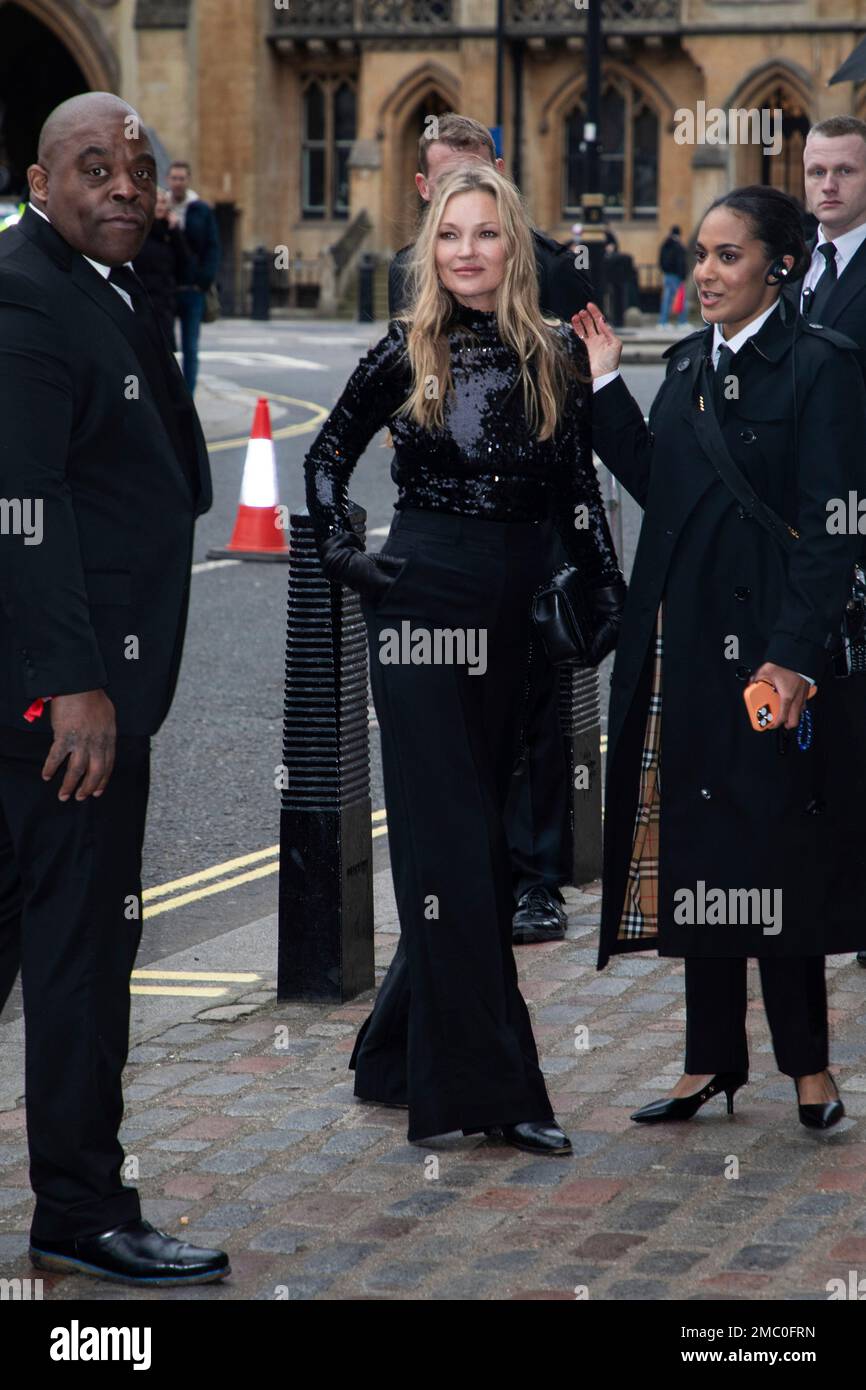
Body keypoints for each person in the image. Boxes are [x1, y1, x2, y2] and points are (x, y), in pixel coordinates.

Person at [304, 163, 625, 1155]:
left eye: (485, 234)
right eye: (450, 236)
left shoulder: (551, 357)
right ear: (431, 251)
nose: (468, 252)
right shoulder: (405, 351)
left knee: (479, 843)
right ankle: (495, 1089)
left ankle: (397, 1051)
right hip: (421, 603)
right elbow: (324, 460)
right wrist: (349, 554)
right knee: (449, 845)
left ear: (510, 247)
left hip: (515, 621)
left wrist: (607, 595)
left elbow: (575, 491)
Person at [573, 185, 866, 1131]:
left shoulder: (822, 366)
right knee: (703, 851)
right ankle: (711, 1063)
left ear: (779, 265)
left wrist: (792, 660)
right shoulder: (692, 362)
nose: (704, 272)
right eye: (701, 254)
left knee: (776, 852)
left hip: (774, 660)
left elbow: (834, 531)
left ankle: (810, 1070)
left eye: (728, 255)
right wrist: (607, 386)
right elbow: (666, 487)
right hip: (690, 645)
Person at [0, 92, 228, 1284]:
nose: (124, 187)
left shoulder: (106, 281)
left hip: (46, 695)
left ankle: (74, 1197)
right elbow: (22, 510)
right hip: (61, 706)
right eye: (92, 168)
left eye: (137, 167)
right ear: (40, 183)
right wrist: (75, 687)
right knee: (83, 956)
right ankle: (82, 1210)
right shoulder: (28, 293)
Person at [388, 111, 597, 947]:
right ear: (423, 191)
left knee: (534, 717)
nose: (466, 235)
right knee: (459, 742)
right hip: (443, 562)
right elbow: (351, 438)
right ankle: (470, 892)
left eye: (476, 172)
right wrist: (360, 560)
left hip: (533, 538)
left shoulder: (552, 269)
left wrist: (604, 573)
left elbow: (585, 428)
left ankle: (537, 879)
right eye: (445, 182)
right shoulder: (417, 279)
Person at [788, 116, 866, 969]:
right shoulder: (793, 268)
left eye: (844, 170)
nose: (829, 186)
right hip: (802, 530)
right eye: (816, 171)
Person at [167, 159, 220, 394]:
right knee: (165, 347)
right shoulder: (159, 207)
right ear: (168, 180)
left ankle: (187, 397)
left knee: (190, 347)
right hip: (166, 289)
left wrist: (203, 280)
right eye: (174, 178)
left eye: (182, 178)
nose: (178, 183)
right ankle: (167, 395)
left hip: (193, 289)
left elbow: (212, 247)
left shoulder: (201, 210)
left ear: (188, 181)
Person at [133, 185, 192, 348]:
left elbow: (185, 263)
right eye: (157, 202)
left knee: (165, 354)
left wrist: (175, 231)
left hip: (165, 301)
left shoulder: (170, 232)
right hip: (143, 300)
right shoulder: (138, 230)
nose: (160, 206)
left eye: (164, 202)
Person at [658, 224, 688, 328]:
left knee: (666, 299)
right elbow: (681, 262)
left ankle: (662, 322)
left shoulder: (665, 244)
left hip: (667, 274)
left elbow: (661, 259)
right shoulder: (678, 246)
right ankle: (682, 322)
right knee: (681, 298)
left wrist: (664, 270)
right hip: (676, 276)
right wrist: (683, 276)